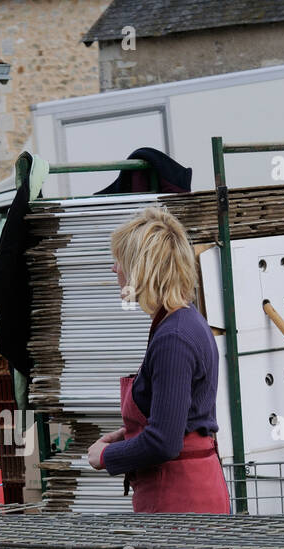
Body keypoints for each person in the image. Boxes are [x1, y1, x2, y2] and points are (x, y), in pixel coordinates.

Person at [86, 206, 230, 514]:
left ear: (141, 269)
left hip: (179, 504)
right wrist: (128, 435)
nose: (115, 270)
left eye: (120, 261)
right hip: (188, 493)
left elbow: (165, 442)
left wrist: (106, 457)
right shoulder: (184, 321)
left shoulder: (173, 339)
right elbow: (180, 417)